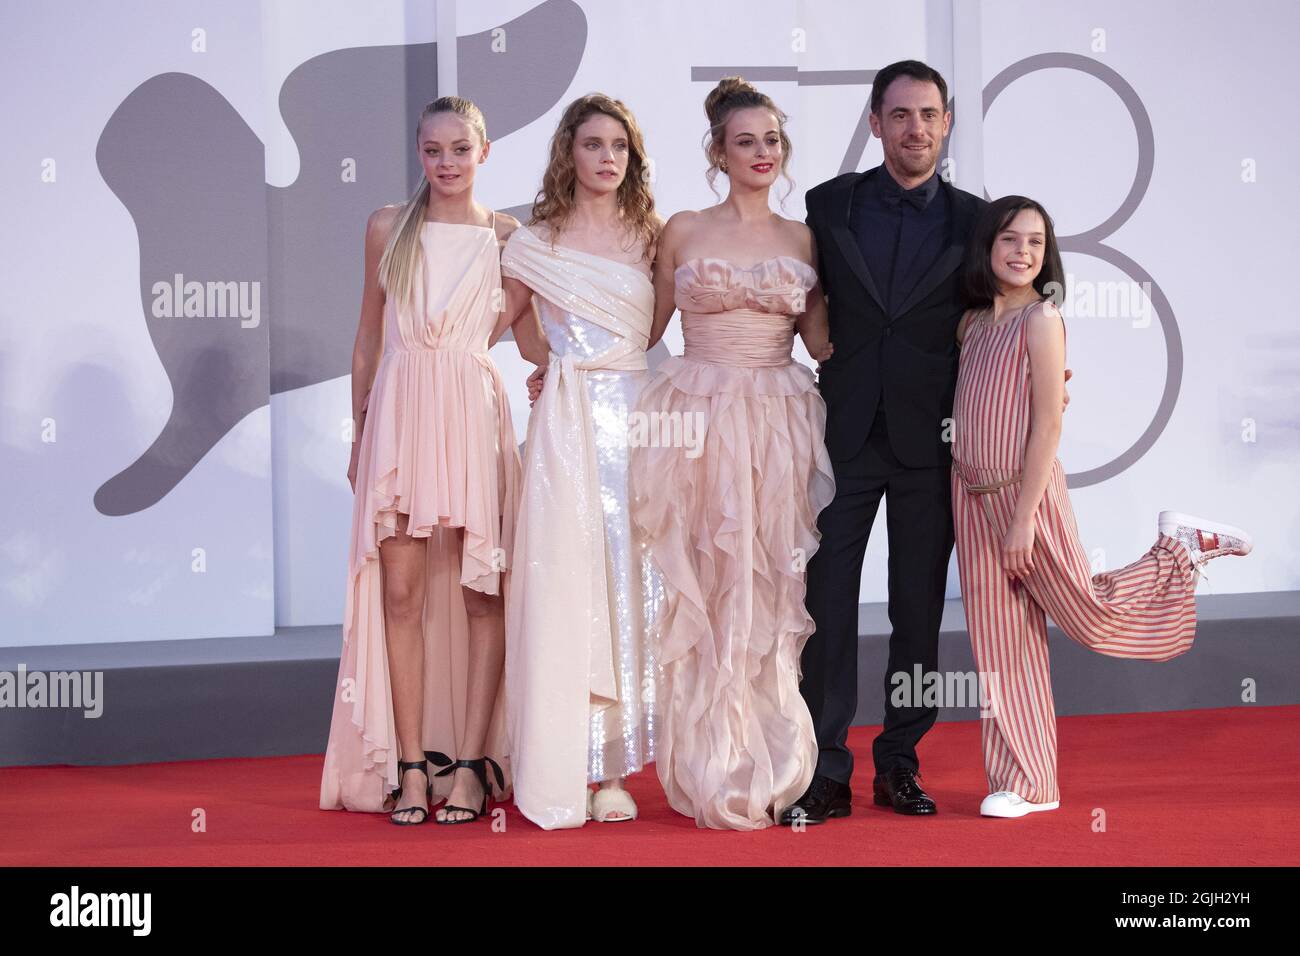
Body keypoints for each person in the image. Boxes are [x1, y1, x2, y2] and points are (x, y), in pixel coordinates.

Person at [951, 195, 1251, 817]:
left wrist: (1025, 516)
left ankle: (1178, 553)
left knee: (1086, 612)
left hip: (1022, 496)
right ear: (986, 246)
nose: (1022, 252)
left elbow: (1047, 427)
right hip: (969, 496)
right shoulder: (972, 323)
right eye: (1009, 239)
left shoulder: (1041, 320)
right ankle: (1028, 783)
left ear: (1047, 254)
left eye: (1035, 242)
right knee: (1002, 646)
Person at [628, 76, 835, 830]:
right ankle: (707, 760)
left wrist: (975, 346)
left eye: (772, 140)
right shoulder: (681, 228)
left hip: (778, 421)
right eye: (745, 141)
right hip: (696, 422)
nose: (761, 153)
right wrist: (556, 360)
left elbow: (821, 342)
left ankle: (768, 763)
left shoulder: (803, 238)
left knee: (770, 588)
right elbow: (642, 331)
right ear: (718, 150)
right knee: (708, 584)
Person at [320, 96, 530, 825]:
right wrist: (359, 434)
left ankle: (470, 766)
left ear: (484, 152)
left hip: (473, 412)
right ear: (419, 154)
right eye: (433, 150)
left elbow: (533, 340)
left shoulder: (509, 237)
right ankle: (411, 767)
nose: (446, 163)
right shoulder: (388, 226)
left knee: (483, 594)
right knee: (401, 596)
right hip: (401, 417)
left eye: (459, 149)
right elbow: (366, 341)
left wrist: (562, 372)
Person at [790, 60, 990, 821]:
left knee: (916, 613)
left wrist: (1049, 372)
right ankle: (826, 767)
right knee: (828, 608)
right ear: (875, 123)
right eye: (900, 115)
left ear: (945, 124)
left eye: (928, 115)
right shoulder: (827, 205)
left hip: (931, 443)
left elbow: (1012, 306)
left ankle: (900, 763)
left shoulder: (977, 219)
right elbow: (798, 300)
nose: (915, 129)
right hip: (841, 438)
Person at [499, 94, 664, 828]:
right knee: (568, 587)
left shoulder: (653, 236)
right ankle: (573, 758)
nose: (605, 158)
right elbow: (508, 330)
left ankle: (616, 768)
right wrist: (552, 363)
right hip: (566, 428)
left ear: (631, 158)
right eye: (592, 144)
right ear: (569, 152)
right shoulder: (534, 242)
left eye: (618, 147)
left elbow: (665, 328)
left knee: (631, 586)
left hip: (639, 425)